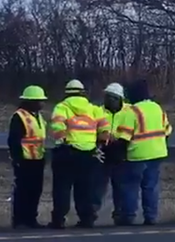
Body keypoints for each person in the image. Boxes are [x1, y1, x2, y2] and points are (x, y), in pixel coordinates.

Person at [48, 79, 109, 229]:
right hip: (89, 154)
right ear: (83, 92)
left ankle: (59, 220)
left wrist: (61, 141)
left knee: (62, 188)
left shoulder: (62, 107)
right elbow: (105, 128)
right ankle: (86, 219)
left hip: (68, 152)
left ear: (67, 93)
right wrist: (100, 143)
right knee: (85, 189)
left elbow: (57, 126)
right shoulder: (94, 109)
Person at [113, 78, 171, 225]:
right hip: (157, 154)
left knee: (130, 187)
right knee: (150, 187)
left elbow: (123, 138)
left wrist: (118, 154)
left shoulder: (132, 111)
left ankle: (128, 217)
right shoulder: (157, 108)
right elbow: (168, 130)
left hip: (137, 155)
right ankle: (151, 217)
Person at [8, 85, 49, 229]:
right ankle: (20, 220)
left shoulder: (38, 116)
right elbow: (14, 140)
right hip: (24, 161)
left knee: (35, 191)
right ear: (31, 101)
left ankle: (31, 219)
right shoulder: (19, 116)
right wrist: (17, 159)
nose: (42, 103)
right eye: (39, 101)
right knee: (23, 192)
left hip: (37, 159)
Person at [97, 82, 129, 222]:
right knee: (98, 187)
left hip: (122, 153)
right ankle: (90, 215)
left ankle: (120, 215)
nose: (108, 100)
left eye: (112, 97)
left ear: (119, 99)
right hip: (102, 154)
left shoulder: (129, 111)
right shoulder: (98, 111)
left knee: (121, 188)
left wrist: (119, 139)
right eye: (107, 97)